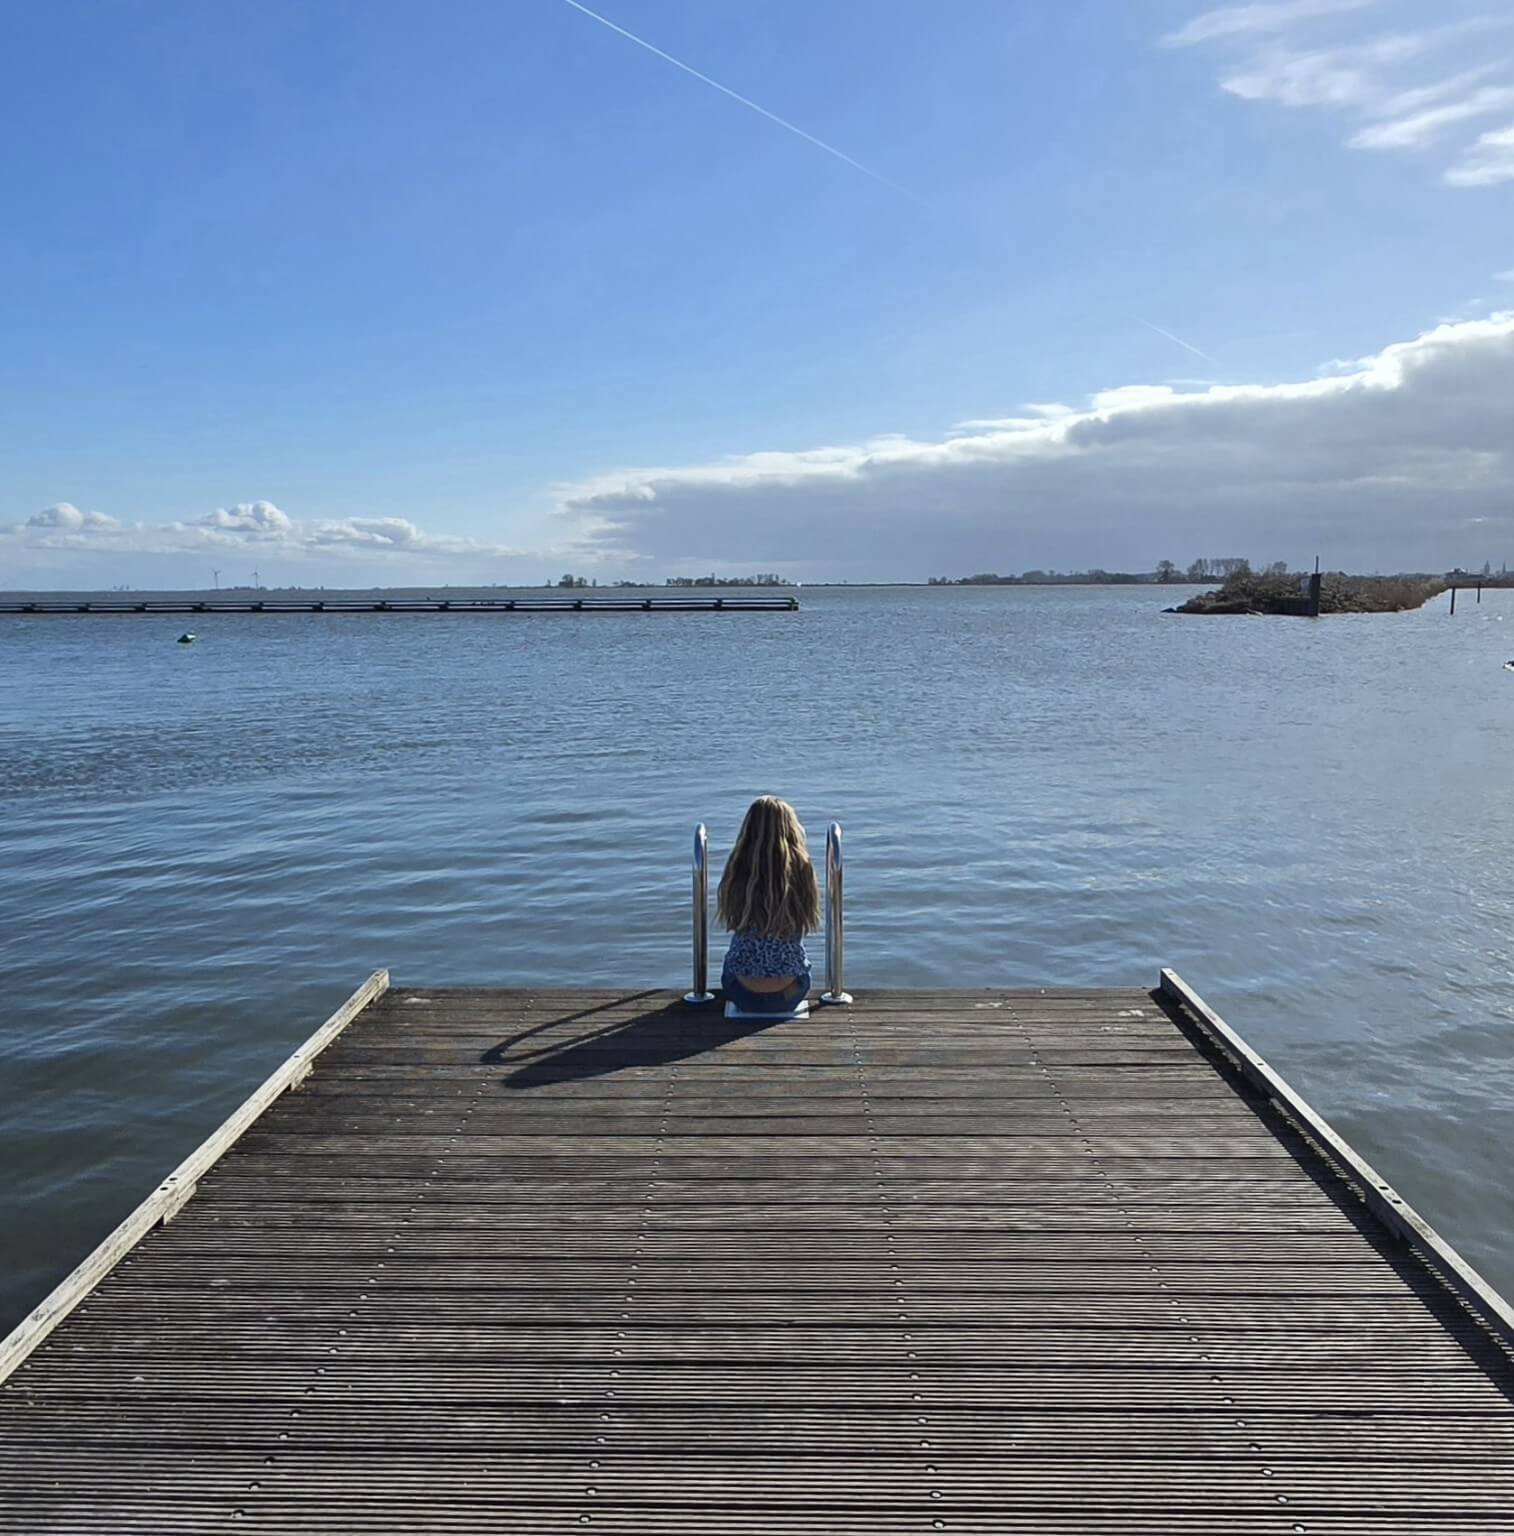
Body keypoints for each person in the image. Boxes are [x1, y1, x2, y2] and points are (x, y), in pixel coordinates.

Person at [717, 796, 820, 1015]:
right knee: (800, 968)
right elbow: (807, 920)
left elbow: (730, 916)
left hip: (740, 990)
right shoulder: (802, 867)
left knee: (733, 962)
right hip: (790, 992)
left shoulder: (737, 867)